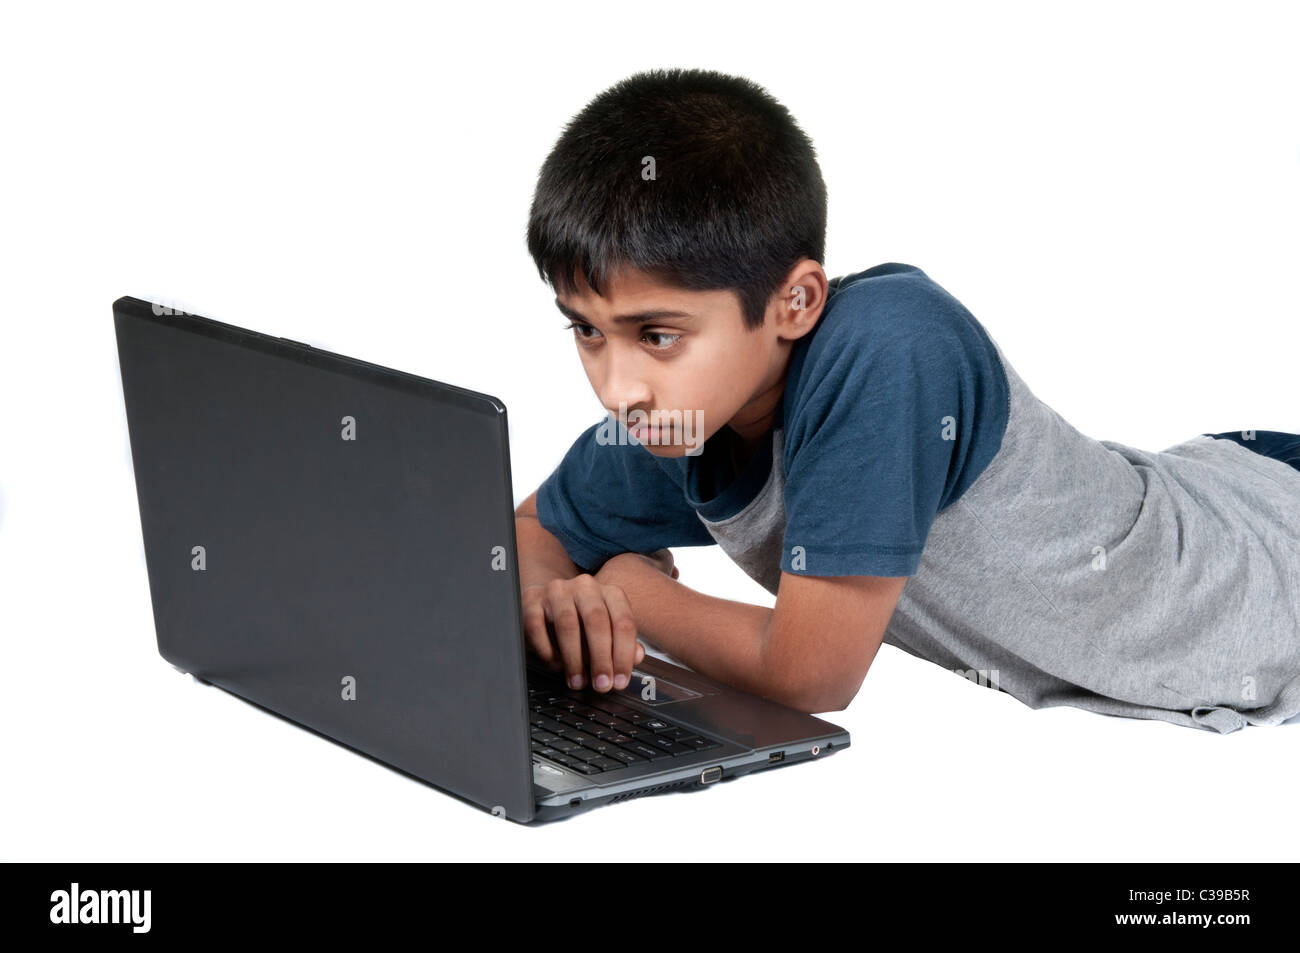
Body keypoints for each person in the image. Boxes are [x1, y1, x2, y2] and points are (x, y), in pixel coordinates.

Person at [513, 67, 1300, 734]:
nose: (618, 389)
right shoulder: (678, 418)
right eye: (586, 331)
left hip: (1267, 561)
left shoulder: (890, 349)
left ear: (796, 301)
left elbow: (808, 677)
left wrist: (625, 588)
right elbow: (525, 533)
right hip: (1205, 481)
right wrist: (563, 607)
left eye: (657, 335)